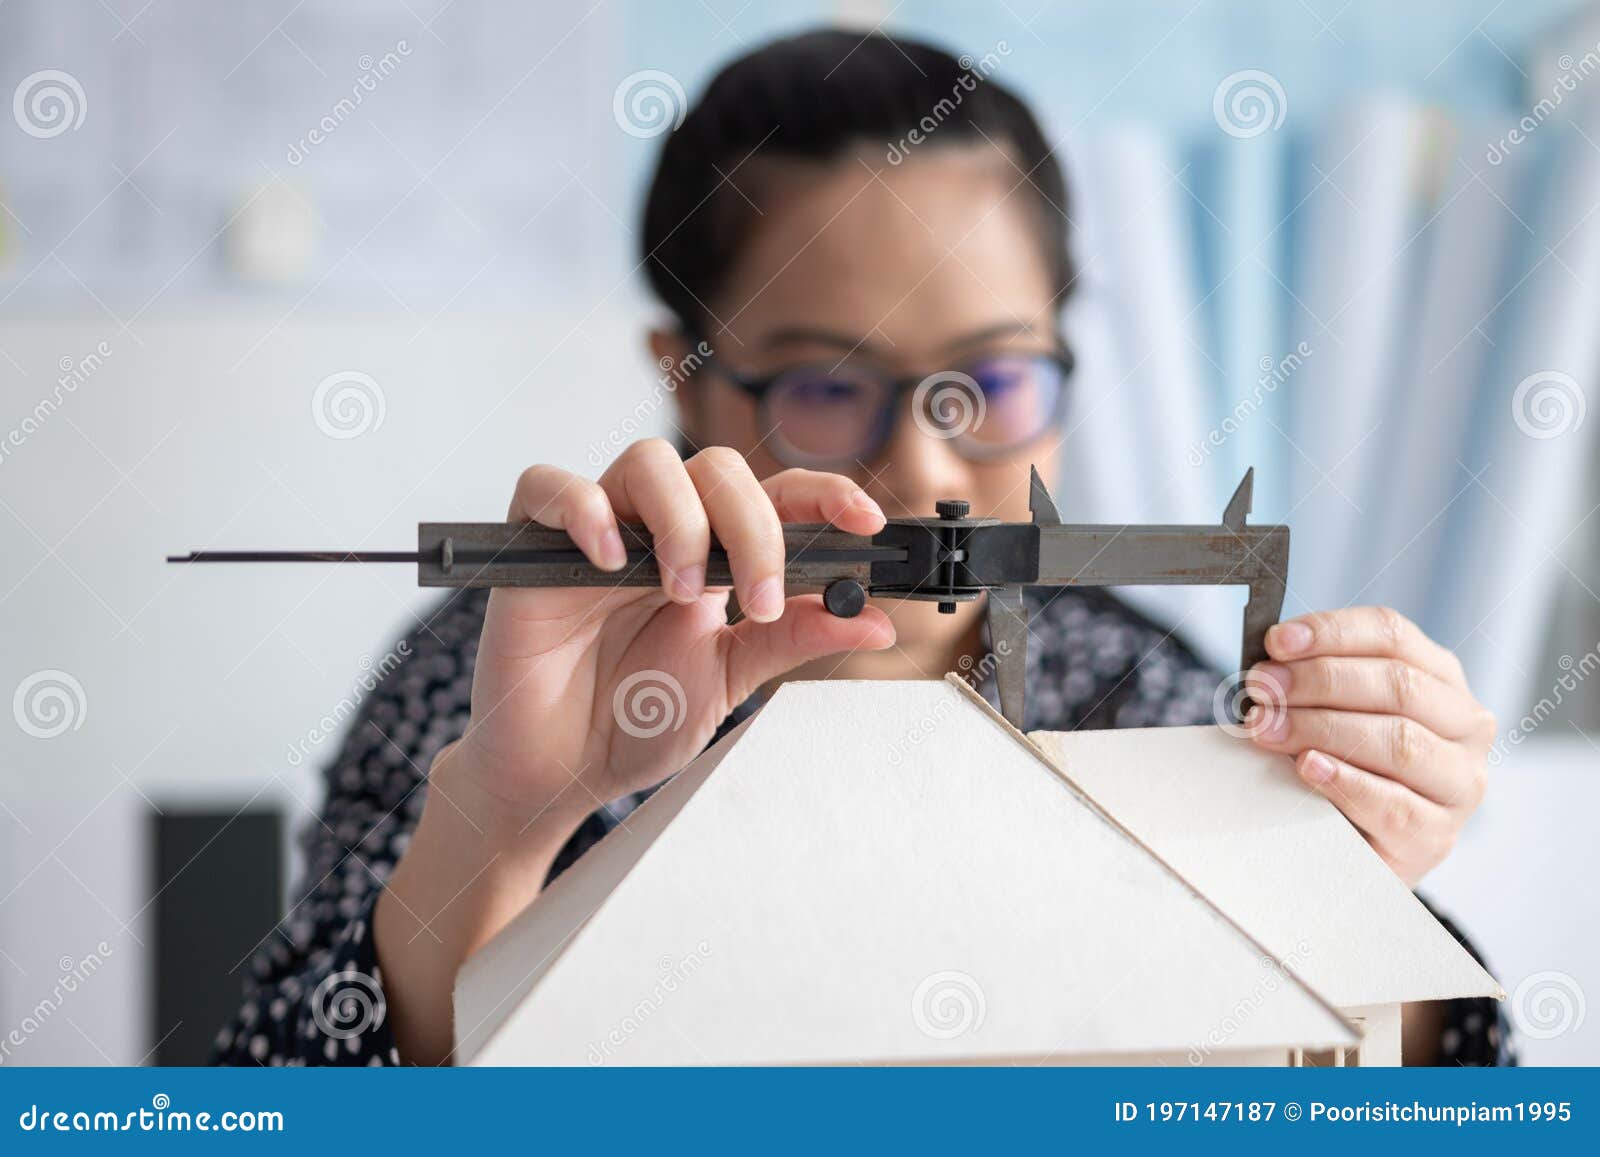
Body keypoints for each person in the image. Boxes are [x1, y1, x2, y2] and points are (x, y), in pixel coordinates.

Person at [213, 29, 1509, 1068]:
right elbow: (286, 1088)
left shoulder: (1150, 698)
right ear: (686, 373)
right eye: (831, 386)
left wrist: (1351, 897)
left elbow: (1468, 1088)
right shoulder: (489, 685)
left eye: (992, 379)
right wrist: (499, 821)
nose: (929, 469)